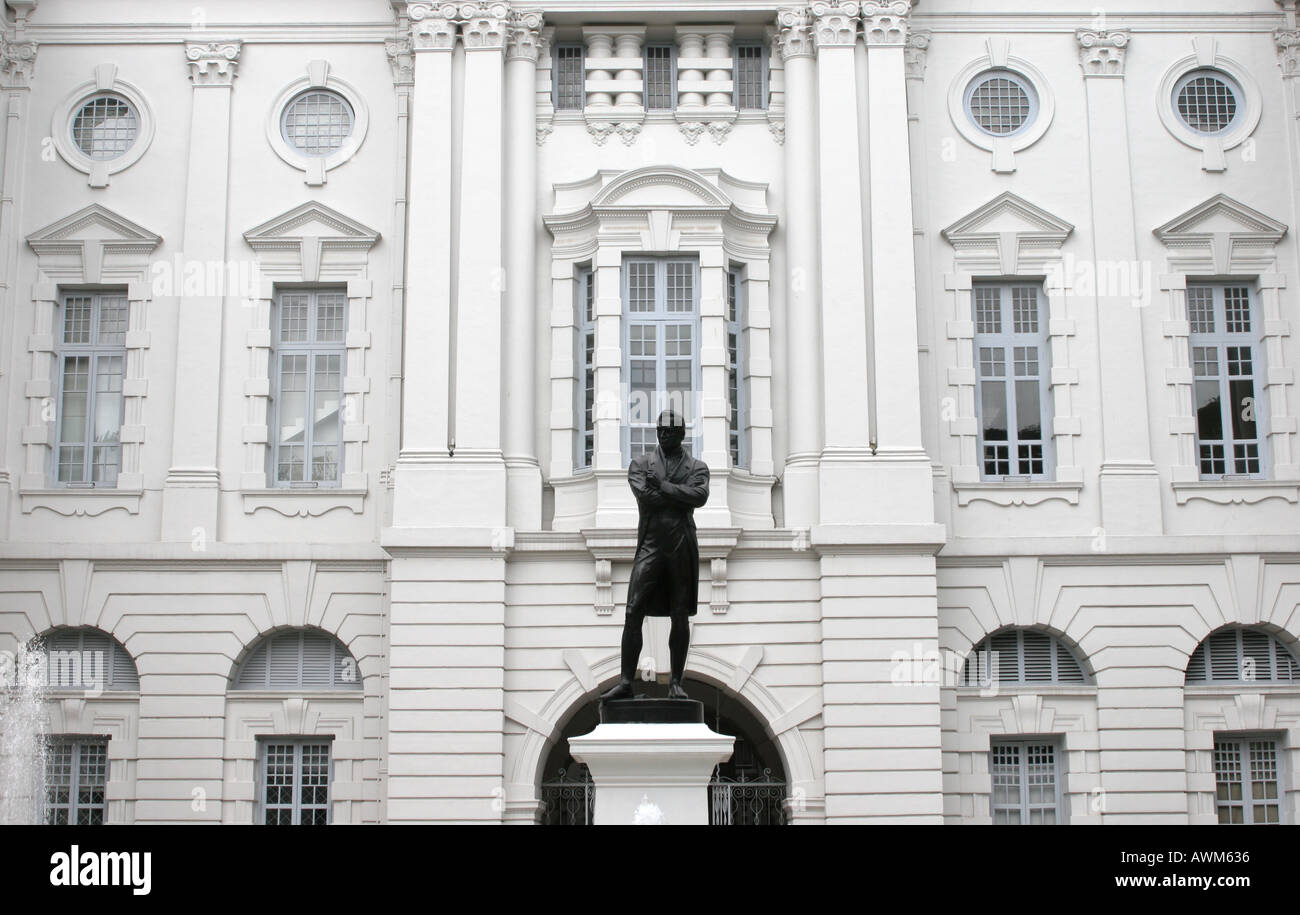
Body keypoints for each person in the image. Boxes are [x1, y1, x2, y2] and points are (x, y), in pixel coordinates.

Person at [600, 409, 709, 701]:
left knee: (680, 615)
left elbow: (699, 497)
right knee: (633, 609)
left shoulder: (697, 466)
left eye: (670, 432)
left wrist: (661, 486)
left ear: (682, 434)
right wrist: (678, 495)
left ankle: (675, 681)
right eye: (660, 430)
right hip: (651, 543)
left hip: (681, 544)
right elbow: (645, 497)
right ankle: (626, 680)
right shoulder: (640, 464)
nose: (664, 435)